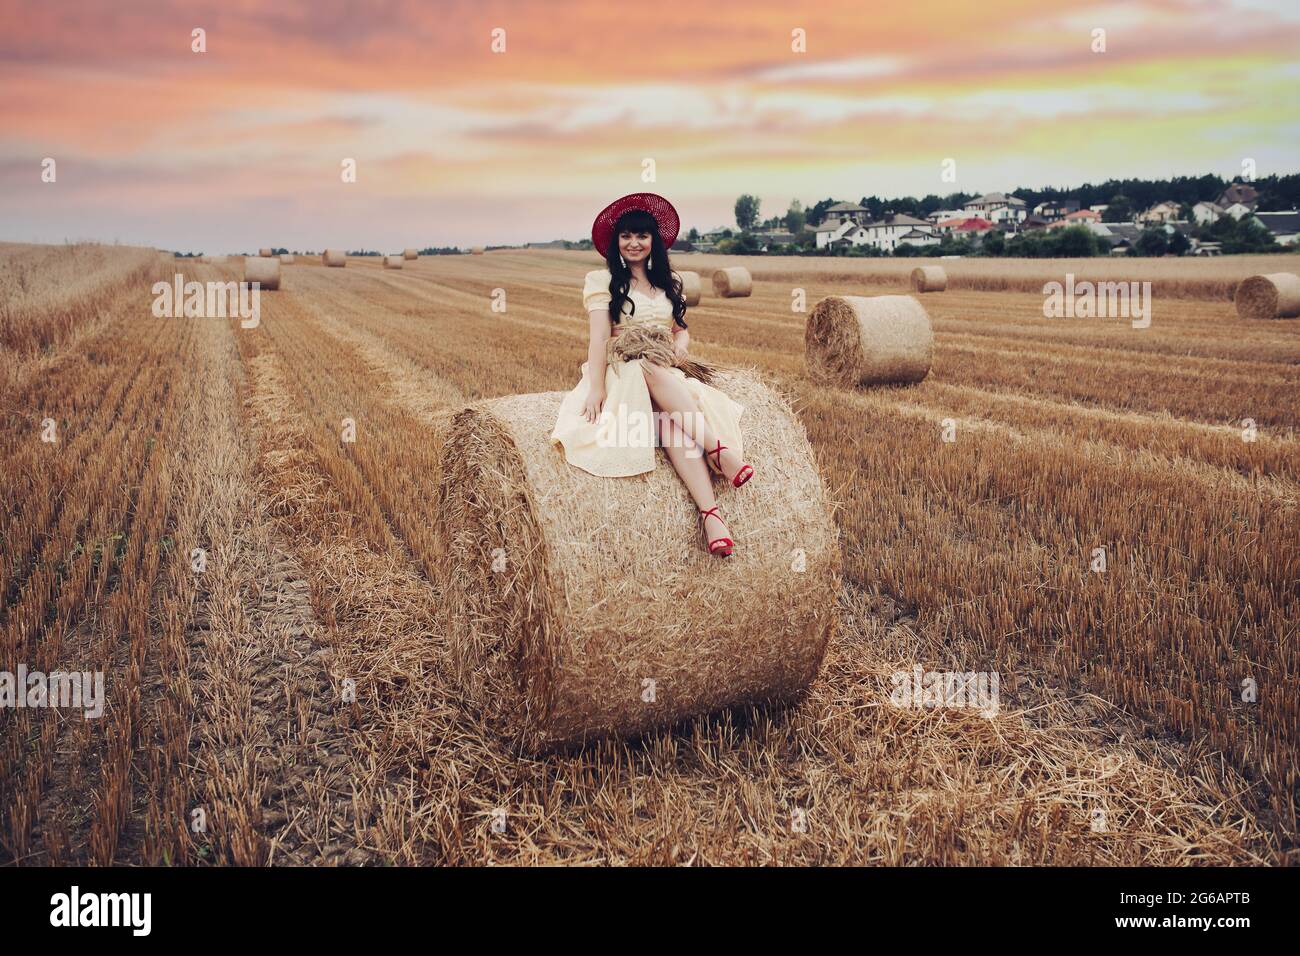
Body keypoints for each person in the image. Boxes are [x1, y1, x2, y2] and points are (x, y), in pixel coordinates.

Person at [548, 192, 753, 557]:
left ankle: (711, 516)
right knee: (648, 369)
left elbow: (679, 328)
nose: (634, 242)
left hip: (662, 370)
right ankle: (717, 450)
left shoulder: (667, 283)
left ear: (653, 240)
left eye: (641, 235)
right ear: (616, 242)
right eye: (626, 236)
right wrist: (595, 387)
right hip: (623, 370)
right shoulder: (603, 280)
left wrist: (682, 345)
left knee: (672, 421)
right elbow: (598, 340)